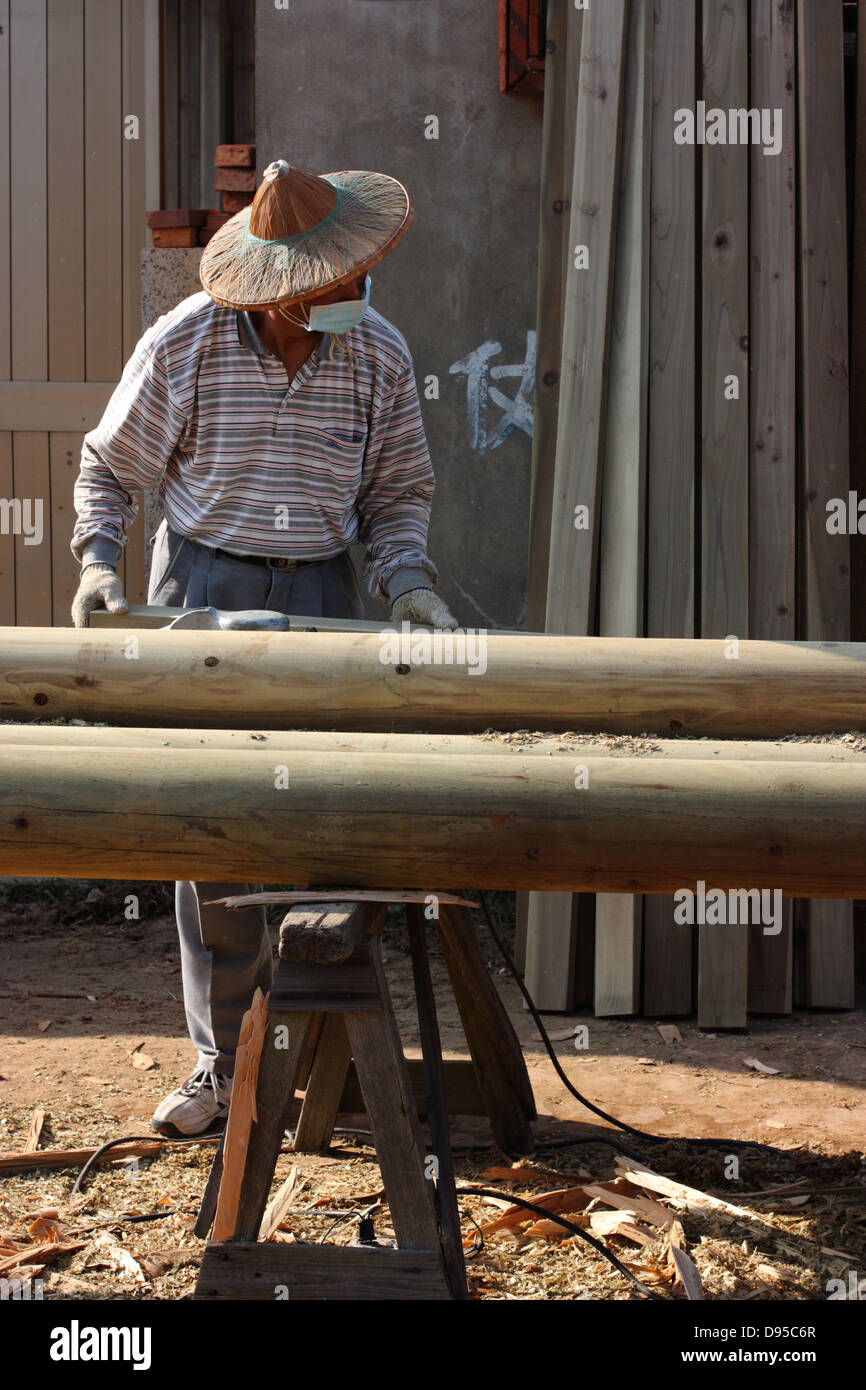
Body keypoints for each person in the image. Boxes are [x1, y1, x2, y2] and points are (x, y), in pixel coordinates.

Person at [70, 158, 456, 1136]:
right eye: (331, 293)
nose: (352, 302)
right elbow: (108, 468)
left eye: (358, 285)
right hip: (206, 588)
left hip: (322, 593)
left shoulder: (374, 353)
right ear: (278, 294)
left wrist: (406, 581)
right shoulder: (185, 346)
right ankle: (219, 1064)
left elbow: (396, 494)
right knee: (215, 837)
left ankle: (303, 1062)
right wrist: (97, 565)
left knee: (317, 831)